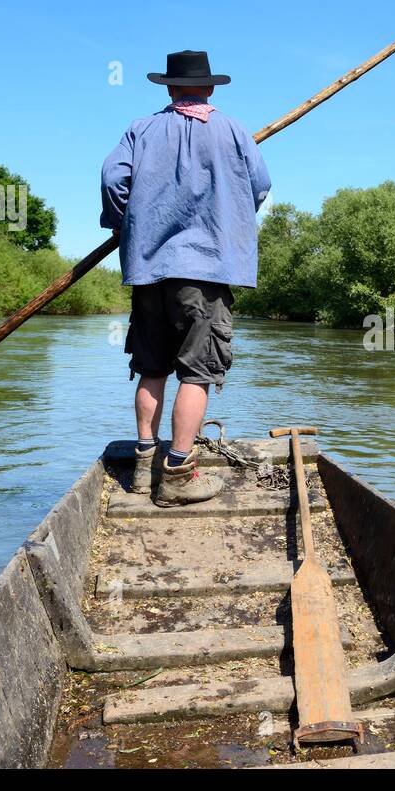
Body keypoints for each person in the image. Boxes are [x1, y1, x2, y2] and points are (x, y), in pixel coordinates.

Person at [100, 50, 271, 506]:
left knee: (151, 367)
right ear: (210, 88)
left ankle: (143, 465)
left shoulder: (141, 129)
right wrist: (229, 213)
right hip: (208, 270)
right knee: (196, 374)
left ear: (169, 89)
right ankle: (176, 473)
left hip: (150, 268)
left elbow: (112, 179)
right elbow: (260, 185)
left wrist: (124, 223)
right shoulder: (234, 130)